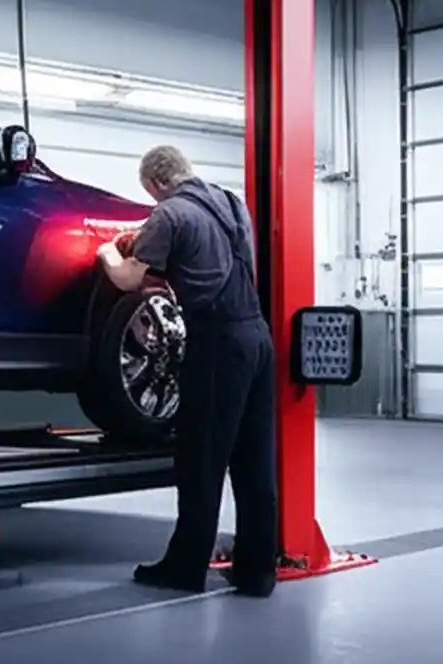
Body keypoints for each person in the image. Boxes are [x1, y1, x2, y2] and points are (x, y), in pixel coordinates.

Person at [97, 145, 278, 597]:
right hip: (258, 337)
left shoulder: (170, 215)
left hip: (218, 343)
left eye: (151, 195)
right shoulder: (231, 203)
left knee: (201, 459)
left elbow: (126, 279)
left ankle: (184, 568)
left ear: (156, 184)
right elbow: (205, 261)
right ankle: (257, 572)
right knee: (255, 462)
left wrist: (106, 253)